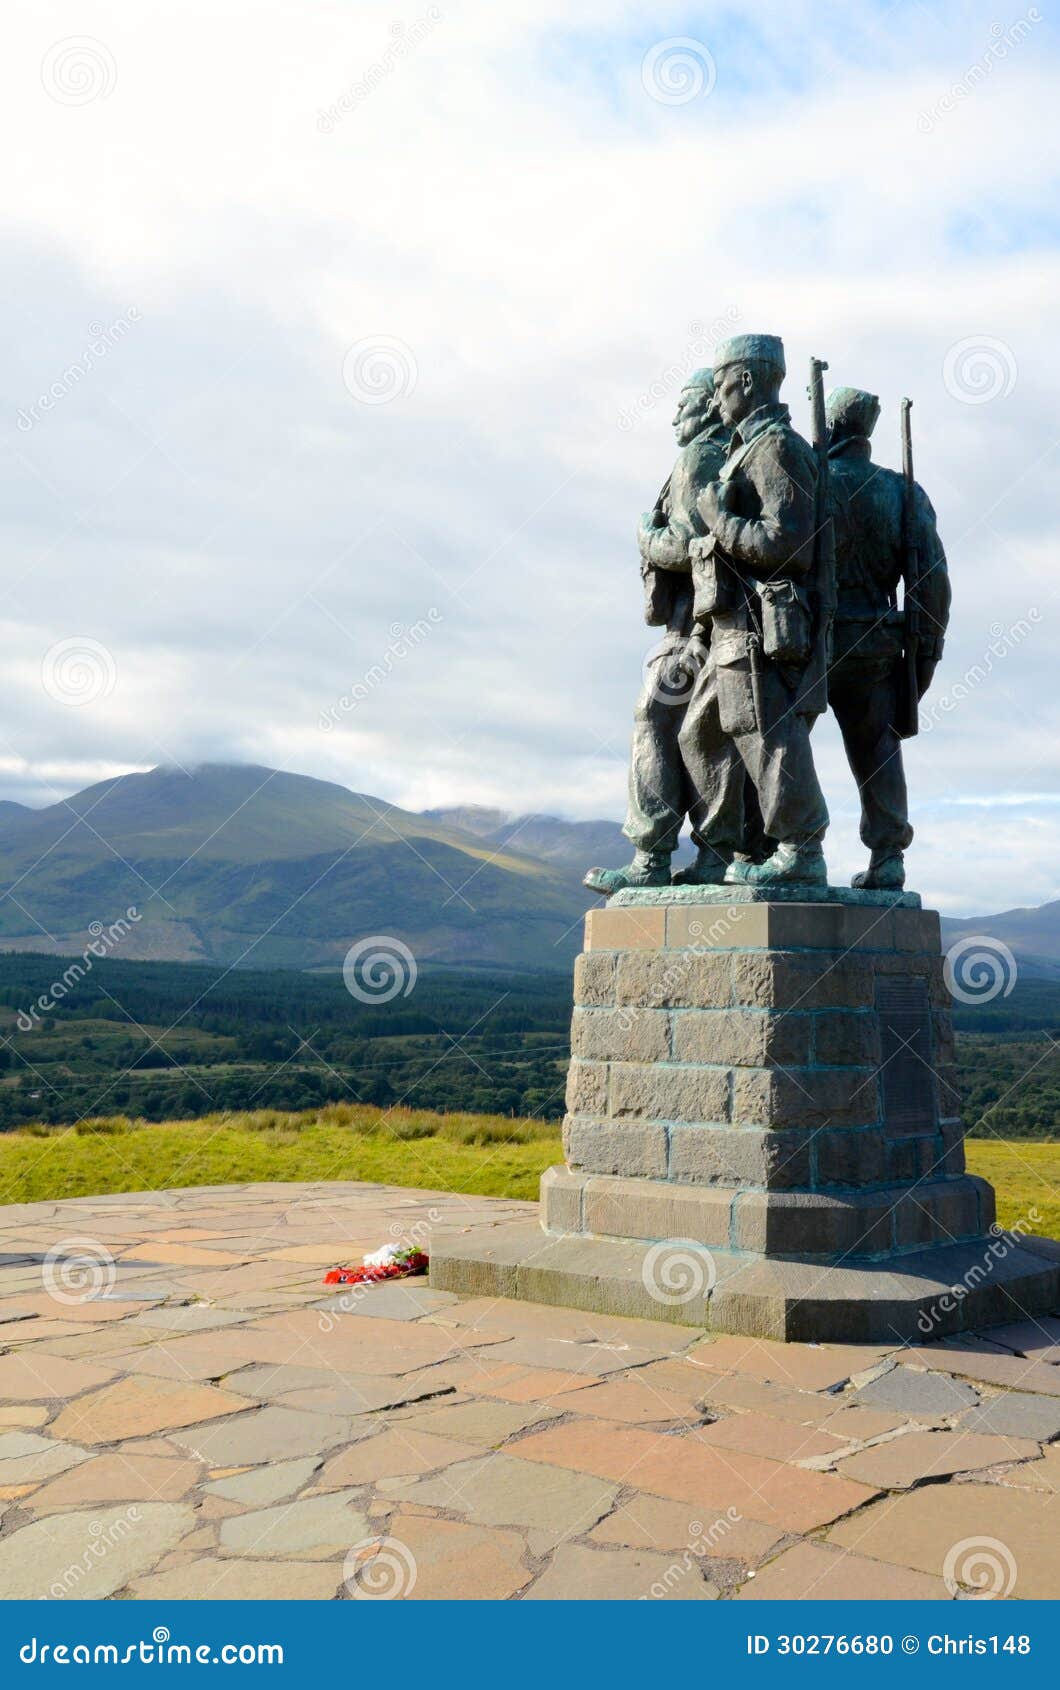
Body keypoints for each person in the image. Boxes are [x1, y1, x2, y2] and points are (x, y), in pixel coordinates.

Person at [584, 370, 745, 893]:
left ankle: (653, 857)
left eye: (685, 403)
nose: (675, 415)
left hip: (697, 629)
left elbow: (695, 543)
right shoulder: (728, 450)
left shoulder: (700, 456)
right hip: (710, 624)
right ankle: (711, 853)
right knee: (708, 735)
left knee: (657, 717)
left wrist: (646, 536)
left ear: (708, 404)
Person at [679, 333, 830, 887]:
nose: (716, 400)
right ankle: (722, 851)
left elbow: (788, 543)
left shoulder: (777, 448)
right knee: (701, 735)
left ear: (746, 380)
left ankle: (801, 849)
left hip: (758, 626)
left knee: (768, 731)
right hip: (727, 621)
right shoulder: (747, 447)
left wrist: (719, 519)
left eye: (721, 386)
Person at [824, 385, 950, 889]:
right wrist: (926, 650)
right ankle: (888, 855)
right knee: (878, 746)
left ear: (831, 425)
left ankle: (785, 845)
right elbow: (931, 580)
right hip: (876, 637)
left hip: (809, 640)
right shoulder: (902, 492)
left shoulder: (811, 482)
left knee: (780, 744)